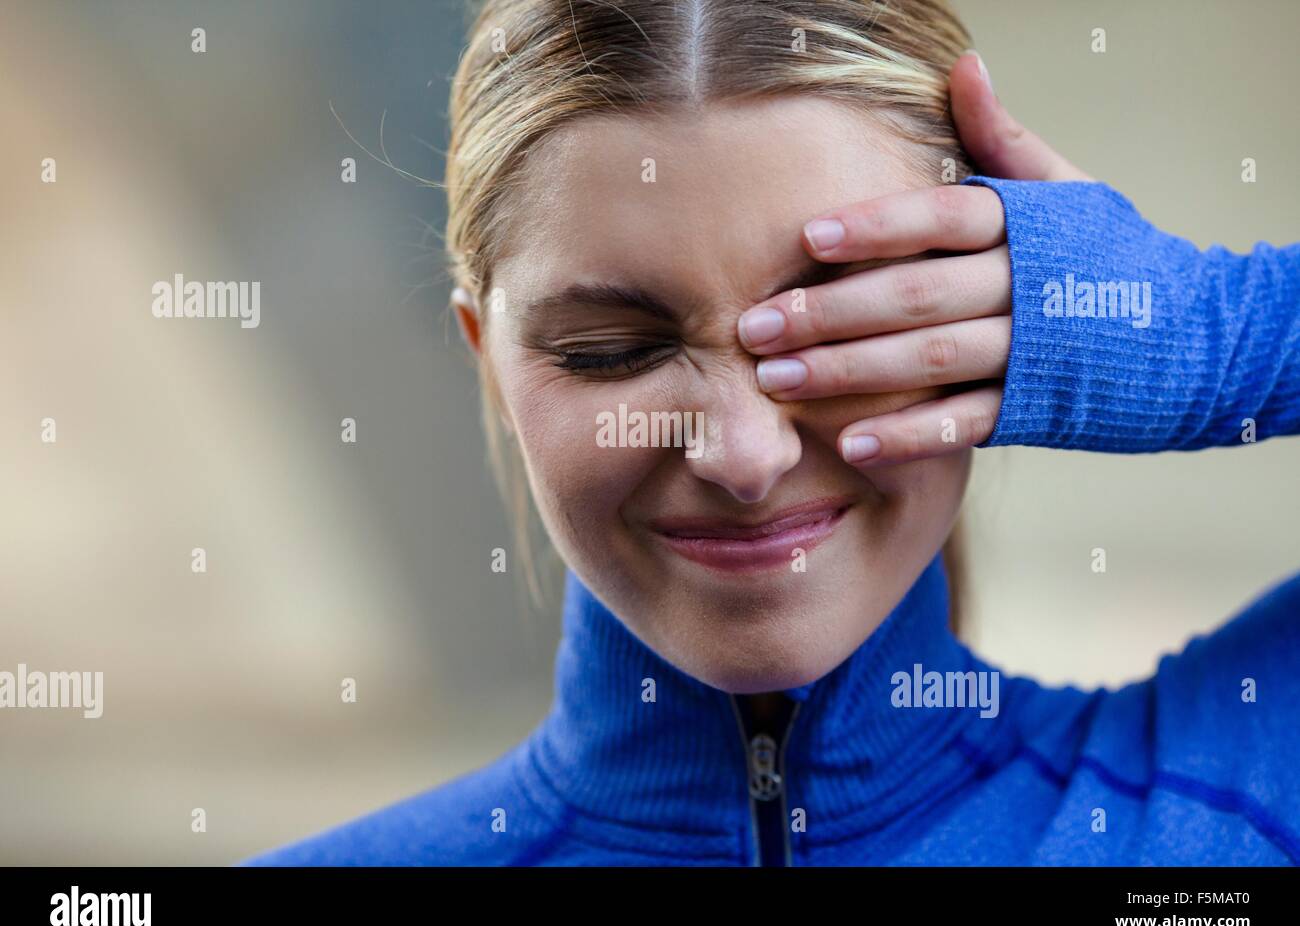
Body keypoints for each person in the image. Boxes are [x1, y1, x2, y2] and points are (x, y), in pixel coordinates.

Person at [241, 1, 1299, 866]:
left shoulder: (1237, 803)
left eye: (855, 328)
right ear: (486, 355)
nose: (745, 459)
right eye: (611, 348)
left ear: (997, 326)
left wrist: (1222, 337)